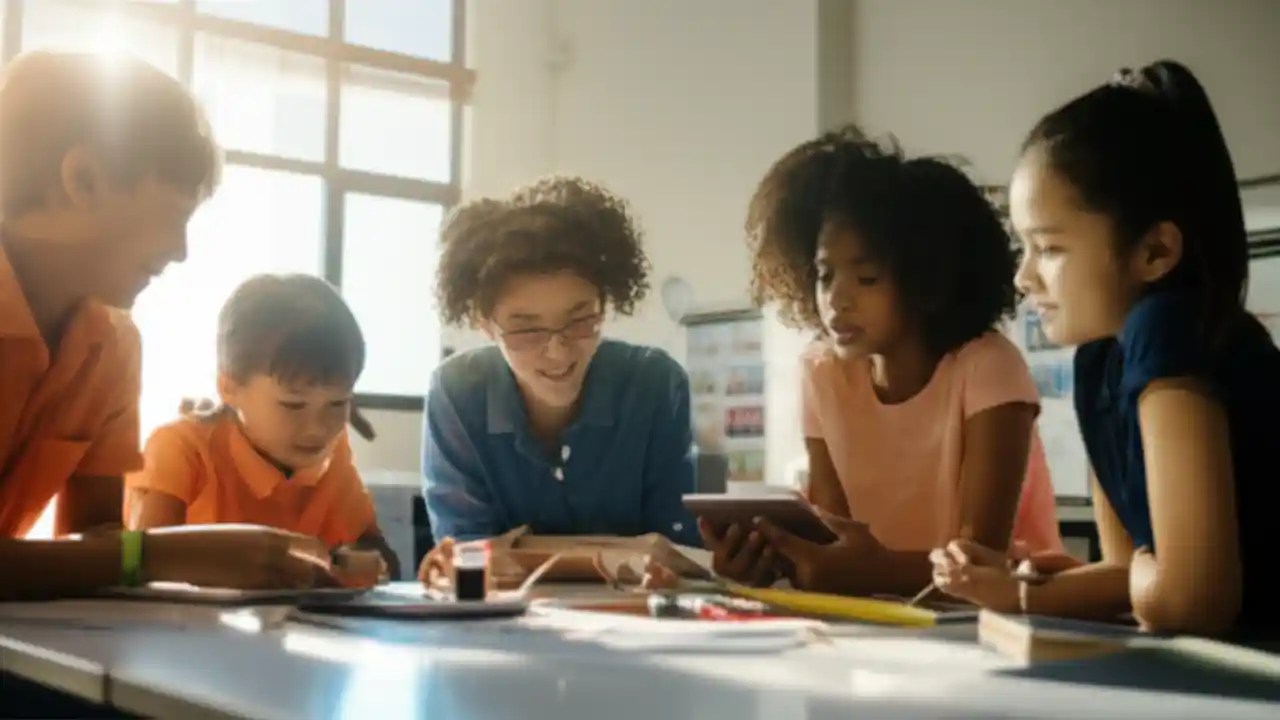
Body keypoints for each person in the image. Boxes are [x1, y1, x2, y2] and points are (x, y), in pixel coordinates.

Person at [931, 60, 1278, 638]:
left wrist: (1143, 572)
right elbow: (1128, 571)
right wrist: (1016, 589)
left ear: (1154, 252)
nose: (1023, 277)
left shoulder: (1168, 329)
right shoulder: (1100, 359)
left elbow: (1191, 600)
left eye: (1048, 248)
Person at [0, 51, 336, 599]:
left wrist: (153, 558)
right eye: (175, 217)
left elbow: (94, 546)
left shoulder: (112, 345)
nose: (180, 252)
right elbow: (117, 557)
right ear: (83, 180)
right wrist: (166, 552)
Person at [707, 125, 1062, 597]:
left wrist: (863, 571)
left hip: (1011, 617)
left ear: (925, 279)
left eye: (867, 277)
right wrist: (770, 558)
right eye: (824, 274)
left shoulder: (988, 367)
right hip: (881, 623)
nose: (836, 298)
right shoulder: (822, 373)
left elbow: (982, 564)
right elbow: (834, 544)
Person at [418, 176, 699, 584]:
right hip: (504, 632)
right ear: (485, 324)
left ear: (606, 301)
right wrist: (624, 553)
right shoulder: (457, 392)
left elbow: (678, 552)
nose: (557, 350)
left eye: (581, 319)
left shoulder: (655, 385)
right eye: (527, 329)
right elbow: (468, 559)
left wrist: (519, 551)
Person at [125, 274, 400, 579]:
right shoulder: (181, 448)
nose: (318, 428)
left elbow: (374, 554)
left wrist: (363, 563)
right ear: (229, 388)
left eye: (338, 403)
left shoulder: (331, 455)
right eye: (293, 405)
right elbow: (140, 560)